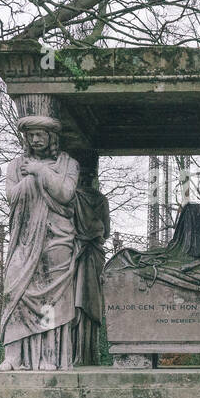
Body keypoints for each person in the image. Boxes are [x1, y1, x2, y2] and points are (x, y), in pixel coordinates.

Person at [0, 115, 80, 371]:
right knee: (14, 292)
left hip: (56, 238)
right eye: (30, 135)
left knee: (50, 300)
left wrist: (40, 172)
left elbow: (65, 194)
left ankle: (49, 355)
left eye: (40, 134)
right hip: (25, 239)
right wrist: (29, 178)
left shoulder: (69, 164)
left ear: (52, 137)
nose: (35, 139)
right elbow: (11, 197)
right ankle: (13, 356)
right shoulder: (15, 166)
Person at [72, 154, 110, 366]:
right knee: (91, 300)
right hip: (93, 253)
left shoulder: (72, 198)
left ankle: (76, 354)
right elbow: (107, 230)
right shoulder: (100, 199)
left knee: (76, 302)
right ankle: (89, 353)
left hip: (76, 254)